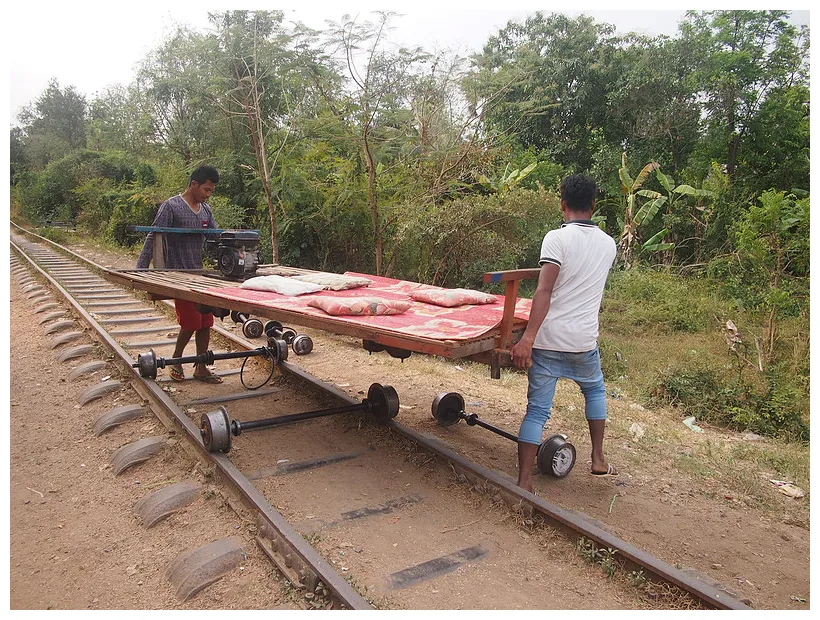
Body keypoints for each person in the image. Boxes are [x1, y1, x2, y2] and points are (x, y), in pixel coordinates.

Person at [510, 174, 617, 492]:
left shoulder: (556, 239)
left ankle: (524, 481)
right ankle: (598, 458)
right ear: (594, 205)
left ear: (563, 204)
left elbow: (544, 291)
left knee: (538, 410)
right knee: (595, 392)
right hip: (584, 341)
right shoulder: (608, 244)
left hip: (548, 341)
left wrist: (526, 339)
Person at [136, 165, 224, 384]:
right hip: (176, 275)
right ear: (193, 184)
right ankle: (177, 360)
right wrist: (141, 269)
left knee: (205, 322)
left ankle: (201, 367)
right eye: (206, 189)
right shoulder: (171, 206)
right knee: (191, 322)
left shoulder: (206, 211)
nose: (207, 194)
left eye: (211, 191)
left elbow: (215, 239)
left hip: (198, 274)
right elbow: (153, 236)